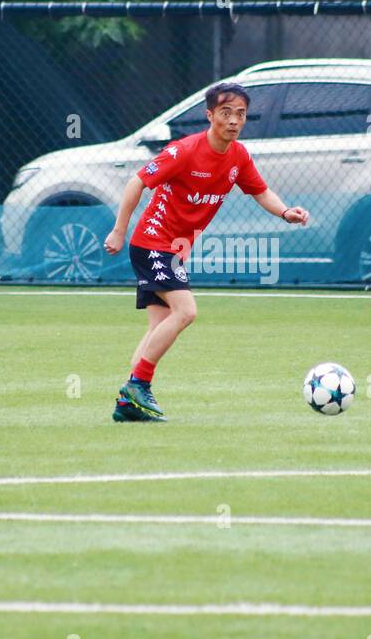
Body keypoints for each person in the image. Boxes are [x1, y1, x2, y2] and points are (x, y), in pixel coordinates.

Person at [103, 82, 310, 422]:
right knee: (186, 311)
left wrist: (285, 212)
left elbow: (260, 191)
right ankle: (139, 384)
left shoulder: (238, 157)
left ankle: (129, 401)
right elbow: (137, 181)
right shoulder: (184, 151)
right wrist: (118, 230)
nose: (233, 121)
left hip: (173, 251)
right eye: (226, 113)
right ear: (210, 114)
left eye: (240, 114)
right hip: (152, 243)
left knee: (160, 327)